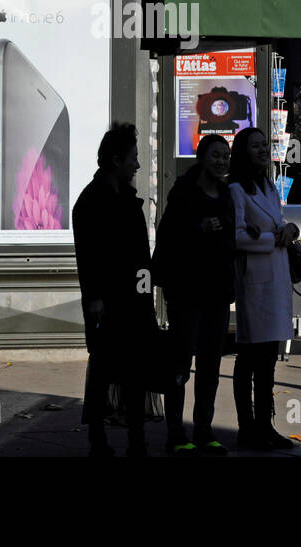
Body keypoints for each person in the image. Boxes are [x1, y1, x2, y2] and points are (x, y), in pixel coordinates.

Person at [72, 122, 156, 457]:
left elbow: (139, 258)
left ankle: (135, 439)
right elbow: (89, 256)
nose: (137, 165)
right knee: (105, 368)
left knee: (133, 370)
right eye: (133, 158)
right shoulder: (93, 201)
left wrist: (145, 293)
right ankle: (99, 438)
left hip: (131, 301)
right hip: (108, 301)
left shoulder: (124, 200)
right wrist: (94, 298)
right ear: (117, 159)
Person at [152, 133, 235, 456]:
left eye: (226, 156)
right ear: (201, 158)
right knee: (180, 363)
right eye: (215, 155)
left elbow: (230, 240)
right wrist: (199, 229)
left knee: (211, 366)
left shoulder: (226, 194)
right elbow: (168, 236)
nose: (222, 161)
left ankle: (204, 430)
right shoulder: (184, 192)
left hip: (216, 292)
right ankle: (175, 432)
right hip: (186, 291)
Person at [228, 126, 298, 451]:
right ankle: (247, 427)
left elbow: (276, 222)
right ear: (242, 151)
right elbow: (237, 236)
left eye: (263, 145)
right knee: (249, 359)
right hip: (254, 283)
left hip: (276, 280)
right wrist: (272, 239)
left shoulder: (268, 185)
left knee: (268, 360)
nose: (260, 150)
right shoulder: (236, 190)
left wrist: (290, 230)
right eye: (254, 146)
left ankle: (264, 425)